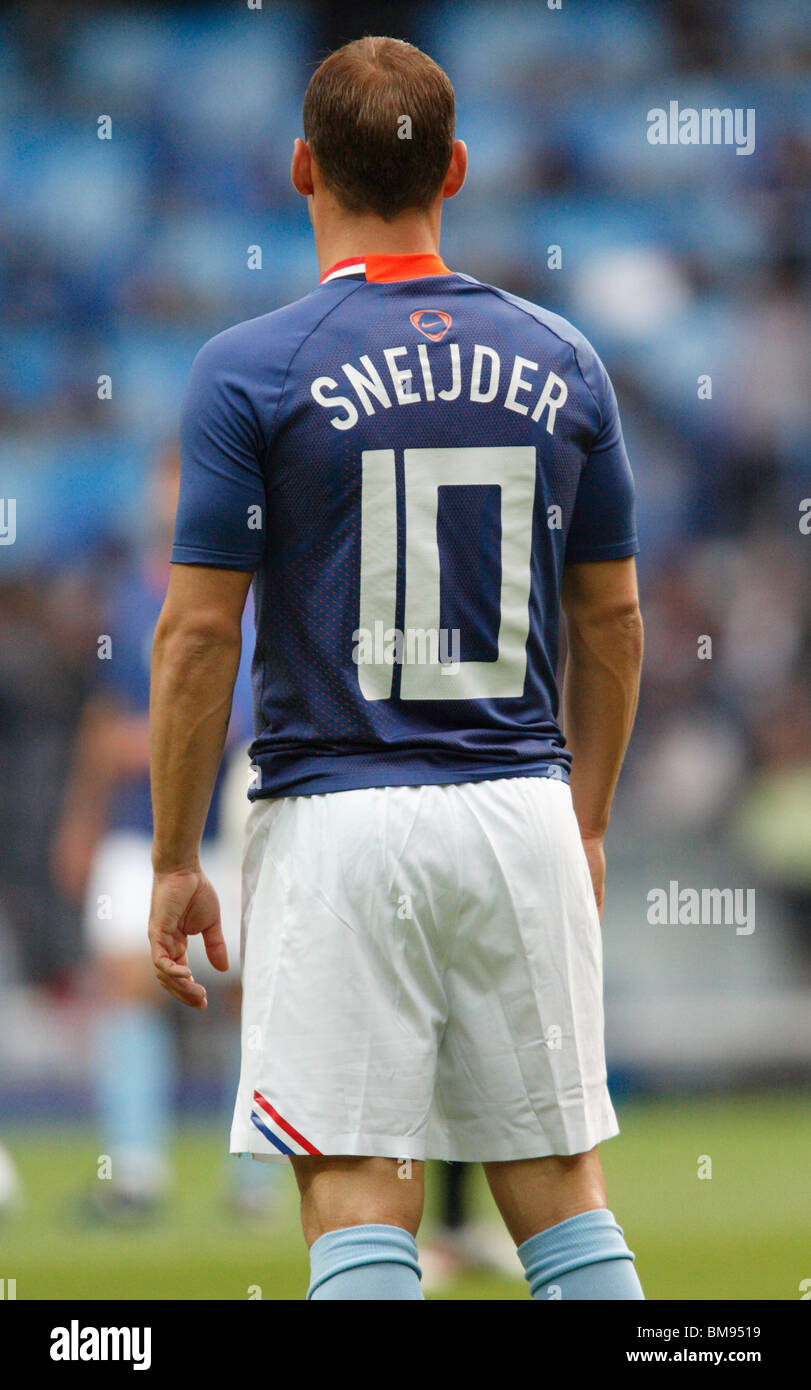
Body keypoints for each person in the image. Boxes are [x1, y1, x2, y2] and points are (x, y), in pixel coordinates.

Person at [148, 36, 644, 1300]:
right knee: (560, 1191)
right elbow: (613, 619)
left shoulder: (248, 367)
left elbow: (198, 634)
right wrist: (586, 820)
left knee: (359, 1191)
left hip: (337, 818)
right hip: (520, 804)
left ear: (301, 167)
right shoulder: (563, 358)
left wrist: (172, 857)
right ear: (457, 169)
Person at [53, 448, 266, 1221]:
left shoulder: (252, 601)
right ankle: (136, 1172)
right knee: (125, 981)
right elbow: (103, 720)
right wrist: (80, 821)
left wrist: (151, 744)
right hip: (134, 831)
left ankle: (253, 1177)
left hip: (231, 829)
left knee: (244, 995)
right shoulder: (127, 600)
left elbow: (235, 722)